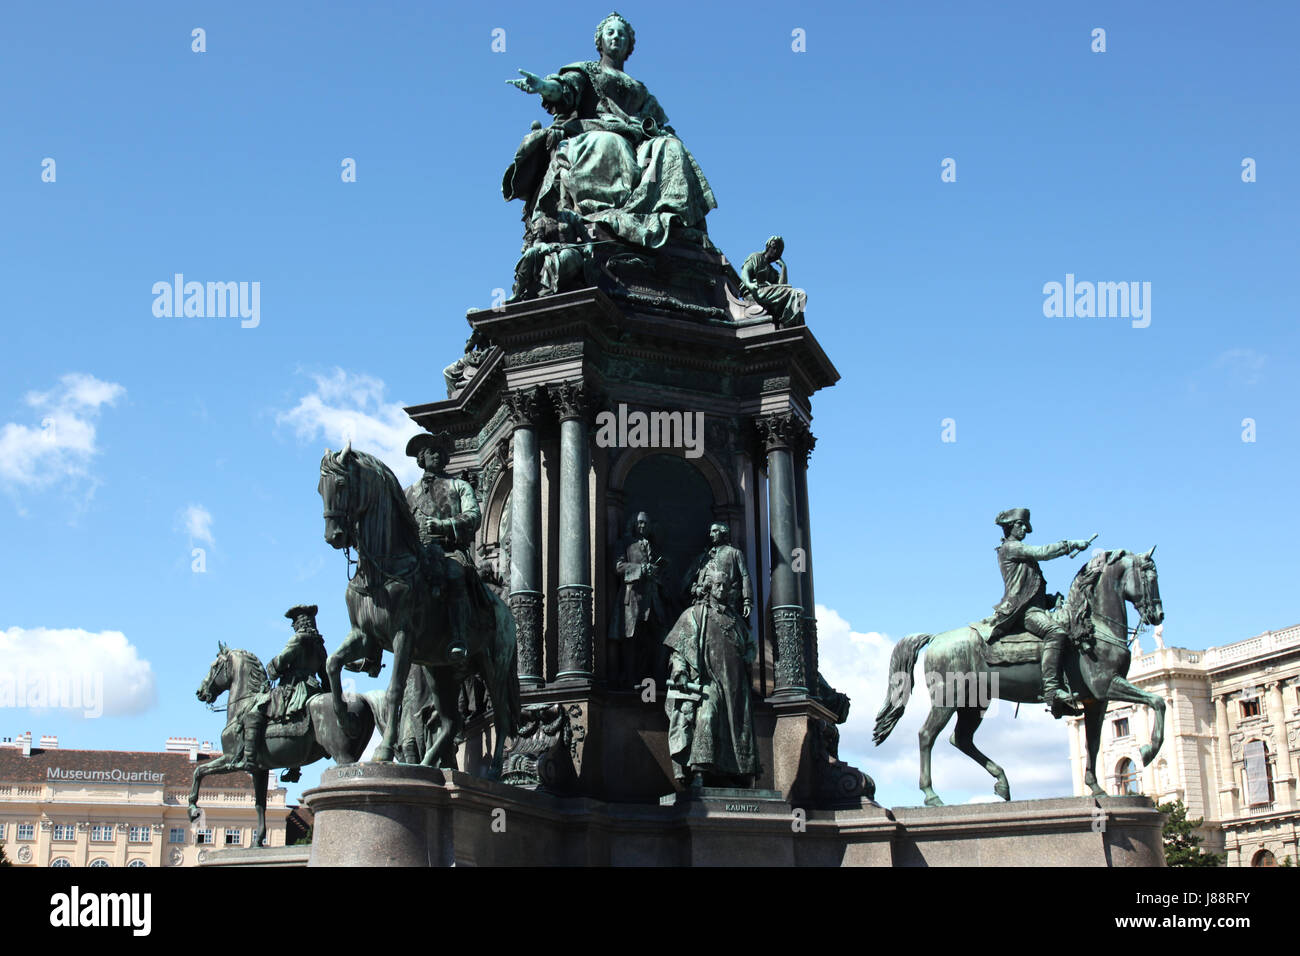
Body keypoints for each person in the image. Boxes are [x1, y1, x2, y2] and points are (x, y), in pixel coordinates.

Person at [503, 12, 717, 249]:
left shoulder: (638, 88)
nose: (616, 37)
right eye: (610, 32)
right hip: (594, 133)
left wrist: (658, 132)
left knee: (672, 147)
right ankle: (607, 213)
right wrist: (544, 87)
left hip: (638, 139)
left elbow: (656, 122)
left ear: (629, 46)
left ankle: (669, 216)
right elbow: (565, 91)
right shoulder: (586, 71)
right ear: (600, 41)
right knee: (613, 144)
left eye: (622, 34)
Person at [990, 508, 1093, 717]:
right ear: (1011, 526)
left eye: (1025, 526)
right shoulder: (1011, 548)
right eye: (1021, 526)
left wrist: (1048, 600)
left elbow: (1026, 587)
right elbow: (1043, 552)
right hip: (1023, 612)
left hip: (1033, 607)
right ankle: (1051, 689)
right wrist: (1071, 545)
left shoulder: (1019, 552)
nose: (1024, 530)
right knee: (1056, 633)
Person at [664, 568, 760, 788]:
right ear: (708, 587)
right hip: (708, 680)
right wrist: (680, 672)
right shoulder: (695, 615)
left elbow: (751, 645)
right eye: (718, 585)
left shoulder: (735, 619)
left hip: (736, 683)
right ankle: (700, 771)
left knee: (739, 726)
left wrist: (748, 655)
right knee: (707, 715)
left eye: (726, 586)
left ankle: (741, 773)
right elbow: (678, 650)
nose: (722, 589)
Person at [404, 431, 484, 666]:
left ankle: (458, 637)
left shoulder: (459, 486)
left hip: (449, 551)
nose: (437, 456)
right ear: (421, 458)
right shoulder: (408, 493)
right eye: (431, 452)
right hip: (417, 555)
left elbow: (474, 515)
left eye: (441, 452)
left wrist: (445, 525)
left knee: (454, 575)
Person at [238, 605, 330, 781]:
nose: (294, 626)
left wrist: (272, 668)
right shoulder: (319, 646)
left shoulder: (298, 640)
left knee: (254, 711)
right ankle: (294, 768)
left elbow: (280, 662)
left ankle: (249, 758)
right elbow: (325, 676)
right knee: (298, 720)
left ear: (298, 623)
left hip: (294, 688)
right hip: (314, 688)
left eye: (294, 622)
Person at [608, 511, 669, 688]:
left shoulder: (653, 546)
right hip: (633, 598)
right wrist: (641, 569)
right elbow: (618, 567)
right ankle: (630, 679)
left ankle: (655, 678)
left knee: (660, 636)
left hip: (653, 600)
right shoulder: (625, 543)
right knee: (631, 639)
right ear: (633, 524)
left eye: (645, 523)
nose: (642, 526)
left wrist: (657, 573)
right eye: (639, 523)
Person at [683, 522, 752, 625]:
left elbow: (745, 576)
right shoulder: (703, 557)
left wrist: (747, 600)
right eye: (710, 532)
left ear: (724, 533)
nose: (711, 534)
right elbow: (687, 580)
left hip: (726, 604)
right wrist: (696, 589)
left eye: (715, 531)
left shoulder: (734, 553)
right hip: (703, 604)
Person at [740, 236, 806, 327]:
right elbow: (745, 271)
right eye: (774, 248)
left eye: (778, 251)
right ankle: (789, 325)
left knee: (801, 295)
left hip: (768, 291)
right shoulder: (756, 257)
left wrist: (783, 267)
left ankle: (792, 325)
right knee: (795, 294)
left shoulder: (772, 271)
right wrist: (749, 284)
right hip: (757, 290)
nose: (775, 252)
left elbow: (782, 286)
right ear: (768, 246)